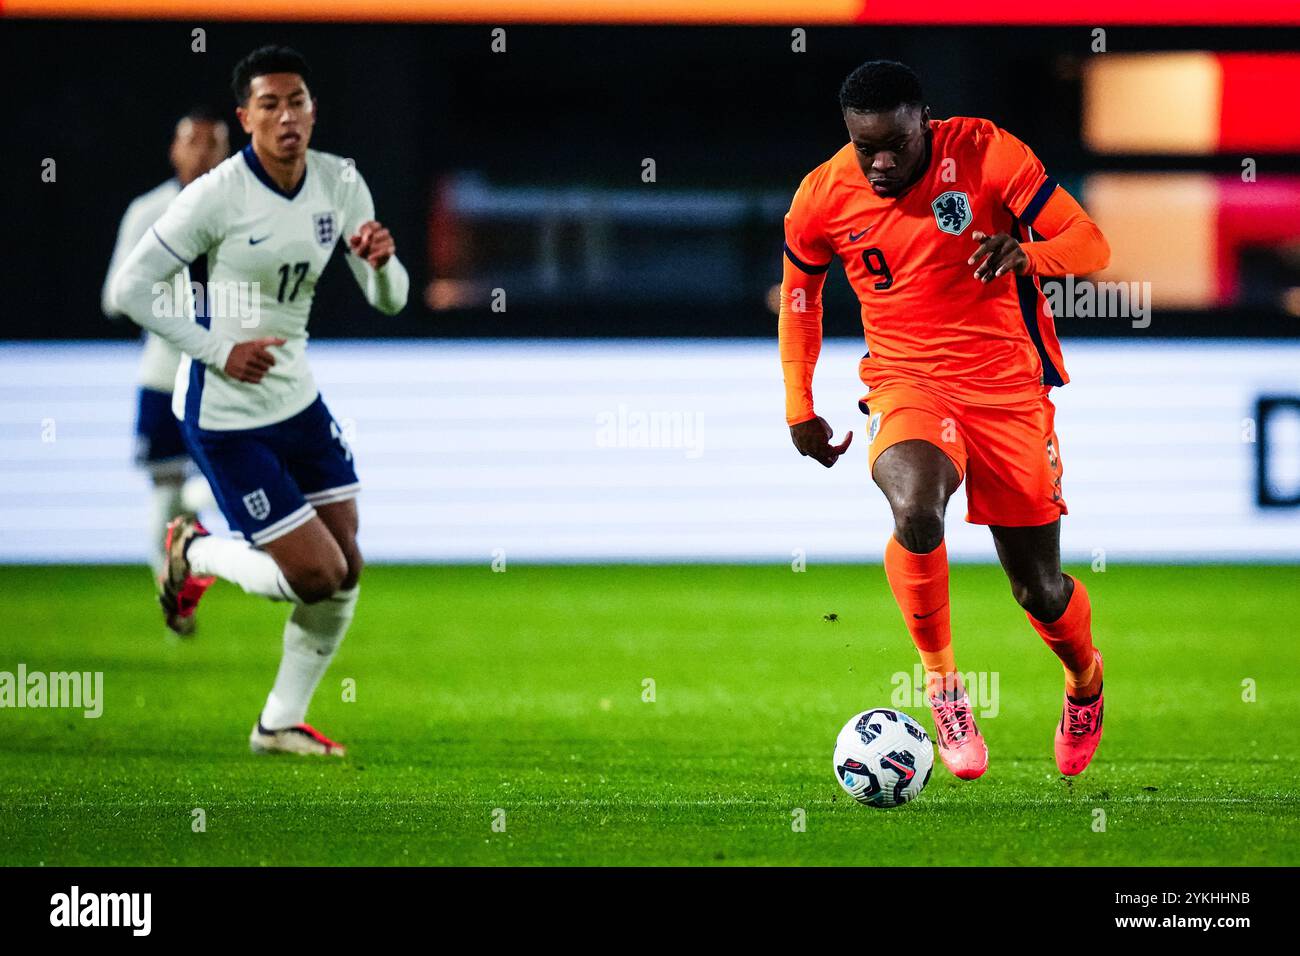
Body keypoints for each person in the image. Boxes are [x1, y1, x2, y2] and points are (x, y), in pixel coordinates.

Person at [779, 60, 1111, 779]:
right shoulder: (821, 197)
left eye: (896, 143)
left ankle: (1085, 681)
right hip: (908, 383)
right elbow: (799, 302)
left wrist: (1030, 253)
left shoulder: (990, 154)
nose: (881, 162)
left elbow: (1091, 245)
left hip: (1006, 390)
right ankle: (944, 686)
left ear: (923, 123)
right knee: (916, 510)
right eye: (866, 147)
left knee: (1039, 590)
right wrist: (799, 407)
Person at [108, 45, 409, 757]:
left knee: (347, 567)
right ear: (246, 118)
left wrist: (383, 262)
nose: (286, 116)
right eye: (269, 104)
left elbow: (388, 301)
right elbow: (130, 289)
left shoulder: (341, 184)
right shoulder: (214, 195)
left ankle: (278, 723)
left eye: (297, 101)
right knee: (314, 575)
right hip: (223, 412)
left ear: (313, 111)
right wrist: (218, 350)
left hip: (298, 401)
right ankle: (196, 549)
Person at [102, 109, 227, 575]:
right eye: (192, 142)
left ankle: (193, 529)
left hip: (225, 372)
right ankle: (167, 583)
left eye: (212, 144)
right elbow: (115, 296)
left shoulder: (242, 211)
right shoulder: (149, 212)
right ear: (174, 150)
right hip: (165, 372)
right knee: (166, 485)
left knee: (217, 478)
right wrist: (174, 319)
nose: (202, 153)